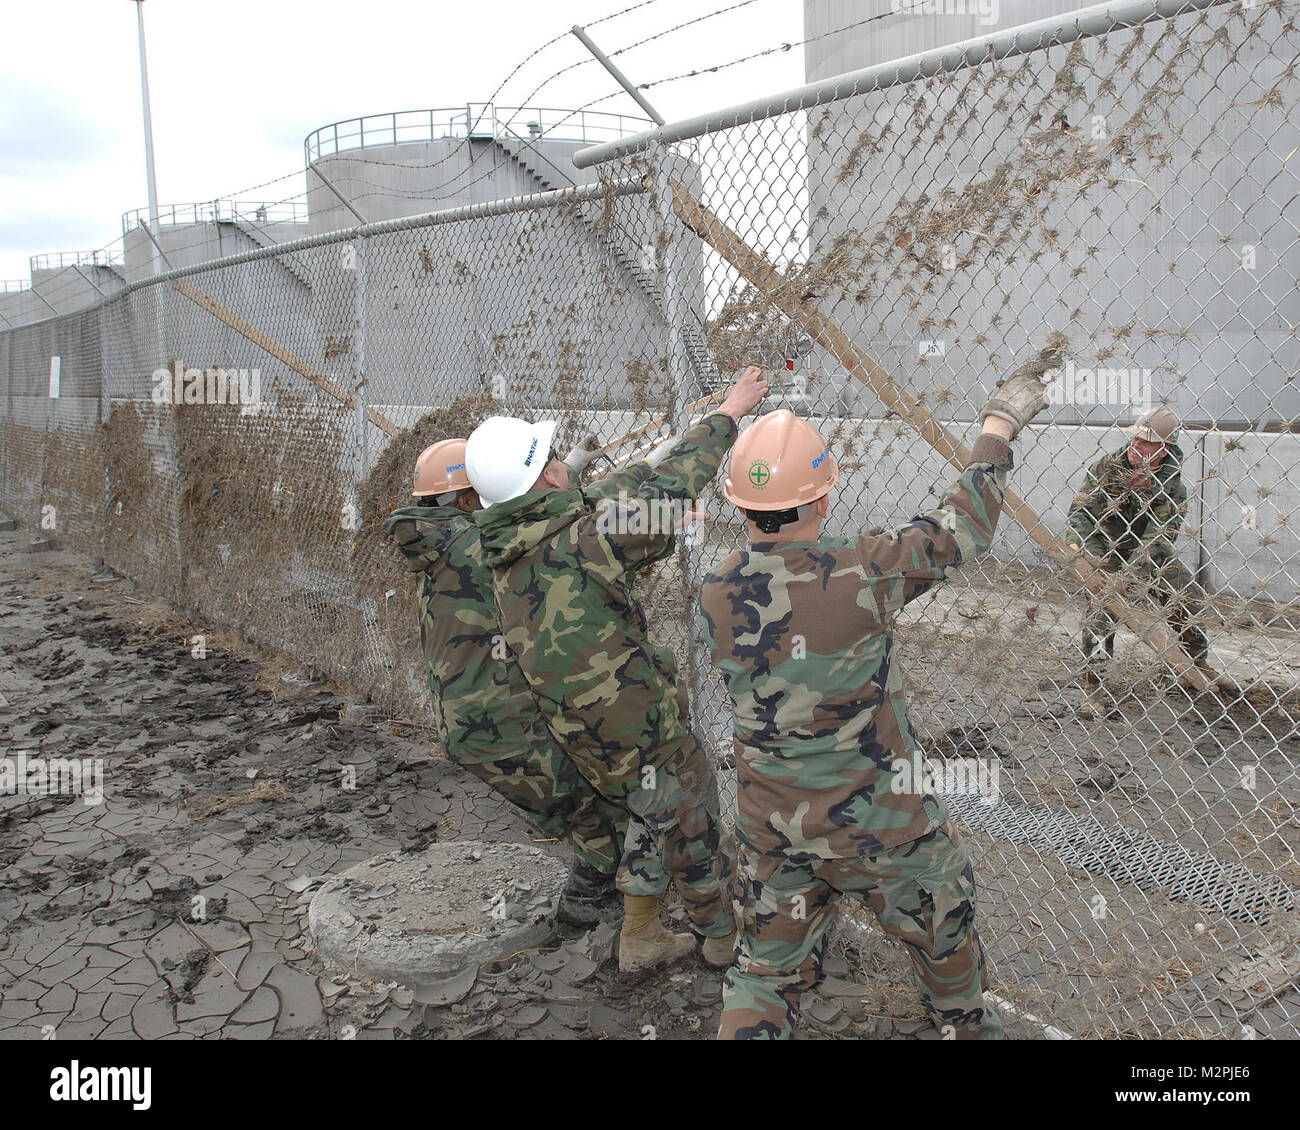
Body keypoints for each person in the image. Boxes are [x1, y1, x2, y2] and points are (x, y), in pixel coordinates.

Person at [698, 354, 1055, 1039]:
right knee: (941, 933)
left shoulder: (716, 590)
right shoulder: (864, 568)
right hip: (885, 826)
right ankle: (960, 1026)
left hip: (775, 831)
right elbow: (960, 530)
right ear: (825, 497)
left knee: (764, 974)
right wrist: (998, 426)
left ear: (738, 504)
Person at [466, 367, 770, 972]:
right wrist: (730, 413)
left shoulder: (505, 541)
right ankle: (720, 939)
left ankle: (641, 932)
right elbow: (669, 495)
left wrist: (653, 459)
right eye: (555, 459)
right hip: (636, 726)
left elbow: (597, 498)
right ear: (548, 473)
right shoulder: (588, 537)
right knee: (690, 818)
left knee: (644, 809)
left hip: (581, 733)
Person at [384, 436, 644, 926]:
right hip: (505, 727)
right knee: (605, 794)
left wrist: (565, 470)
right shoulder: (476, 543)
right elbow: (559, 520)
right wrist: (632, 477)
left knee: (584, 801)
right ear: (466, 501)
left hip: (476, 727)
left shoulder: (439, 542)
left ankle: (597, 884)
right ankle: (592, 903)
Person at [1065, 405, 1210, 711]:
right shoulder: (1107, 467)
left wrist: (1126, 579)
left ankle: (1196, 663)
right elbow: (1080, 510)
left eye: (1146, 443)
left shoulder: (1174, 490)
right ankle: (1095, 687)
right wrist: (1079, 546)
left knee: (1188, 599)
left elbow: (1157, 540)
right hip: (1106, 548)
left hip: (1149, 553)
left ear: (1164, 449)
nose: (1136, 446)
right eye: (1135, 439)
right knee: (1100, 612)